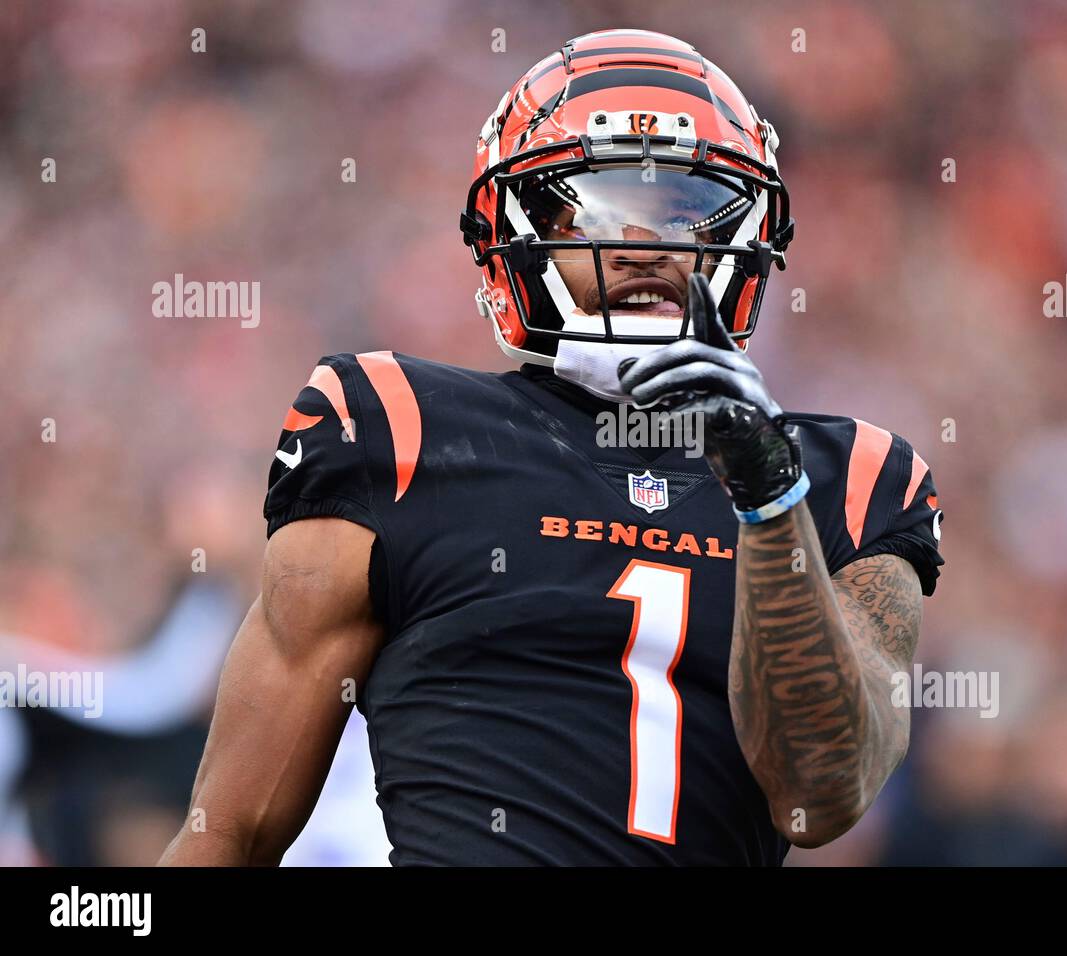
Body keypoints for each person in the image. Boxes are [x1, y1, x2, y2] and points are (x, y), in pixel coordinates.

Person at [161, 28, 943, 867]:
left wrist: (769, 499)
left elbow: (818, 793)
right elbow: (229, 832)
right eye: (601, 207)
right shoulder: (395, 429)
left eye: (684, 209)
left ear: (744, 240)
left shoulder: (852, 481)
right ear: (517, 233)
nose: (644, 245)